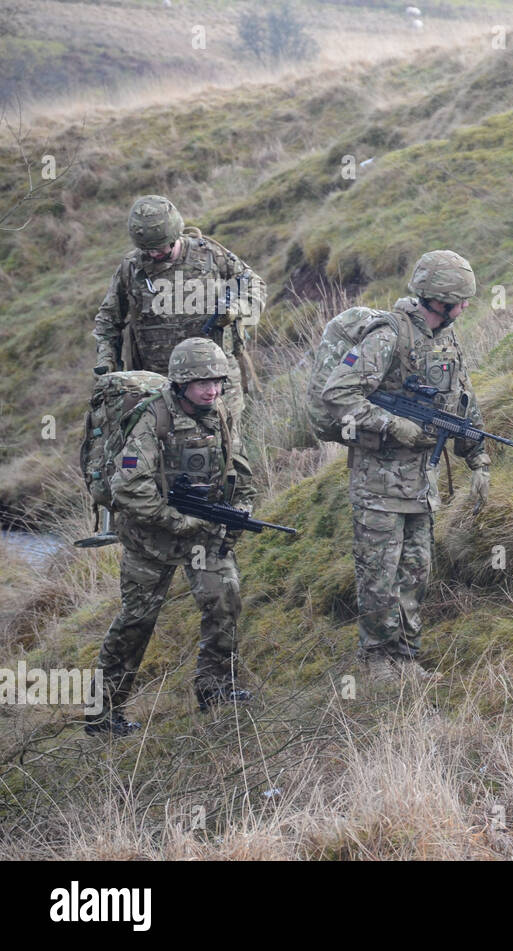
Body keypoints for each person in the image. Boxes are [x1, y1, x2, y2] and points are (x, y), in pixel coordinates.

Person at [319, 250, 492, 683]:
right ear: (440, 299)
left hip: (420, 484)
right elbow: (339, 394)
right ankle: (377, 661)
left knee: (415, 574)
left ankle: (406, 659)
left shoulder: (447, 341)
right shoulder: (387, 335)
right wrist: (394, 425)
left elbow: (463, 407)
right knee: (378, 573)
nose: (465, 307)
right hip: (378, 483)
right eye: (460, 300)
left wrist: (479, 459)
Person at [87, 338, 255, 735]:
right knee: (136, 622)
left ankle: (216, 688)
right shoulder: (151, 418)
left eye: (216, 381)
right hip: (150, 541)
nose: (211, 390)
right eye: (201, 383)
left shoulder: (220, 414)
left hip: (204, 533)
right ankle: (103, 713)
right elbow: (128, 487)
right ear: (180, 383)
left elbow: (239, 466)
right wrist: (178, 521)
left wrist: (241, 507)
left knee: (224, 599)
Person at [92, 194, 263, 439]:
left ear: (174, 236)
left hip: (214, 383)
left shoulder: (212, 256)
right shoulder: (131, 268)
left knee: (226, 449)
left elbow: (255, 286)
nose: (153, 255)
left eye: (160, 249)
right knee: (163, 455)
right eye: (147, 250)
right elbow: (108, 321)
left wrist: (236, 309)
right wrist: (107, 361)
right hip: (158, 384)